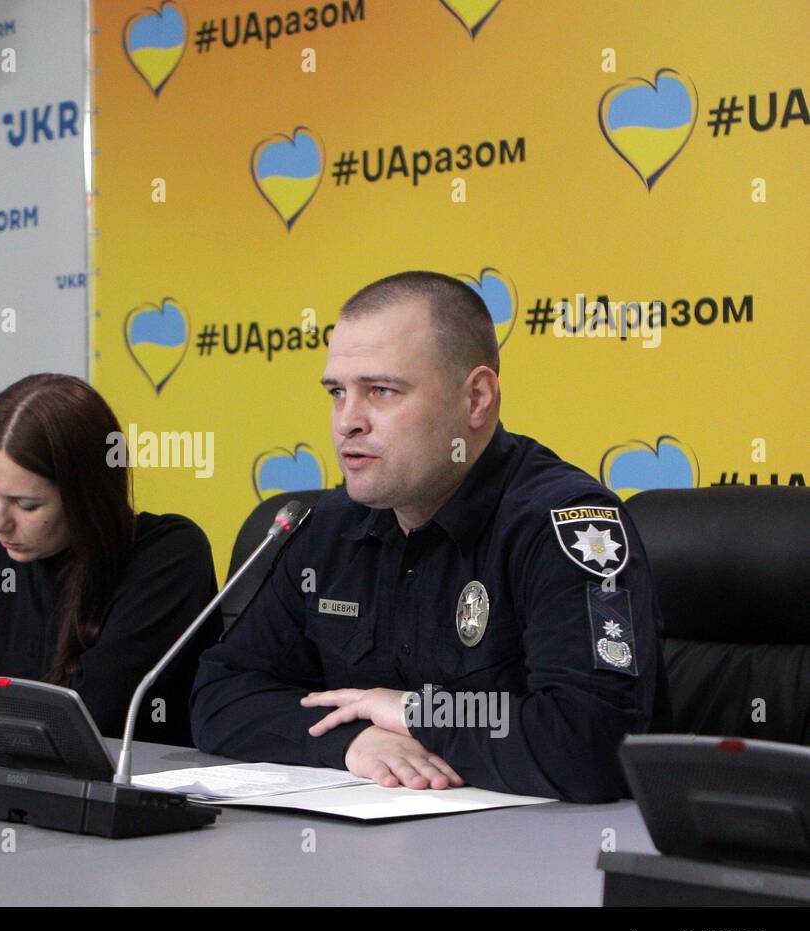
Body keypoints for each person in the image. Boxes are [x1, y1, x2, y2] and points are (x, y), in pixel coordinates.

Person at [190, 271, 671, 802]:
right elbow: (220, 691)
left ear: (477, 398)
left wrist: (419, 712)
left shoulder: (563, 524)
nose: (347, 422)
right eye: (336, 393)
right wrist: (353, 741)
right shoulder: (328, 526)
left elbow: (592, 740)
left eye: (381, 391)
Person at [0, 373, 221, 747]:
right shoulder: (5, 564)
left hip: (136, 790)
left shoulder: (170, 556)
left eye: (26, 504)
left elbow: (94, 715)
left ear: (86, 496)